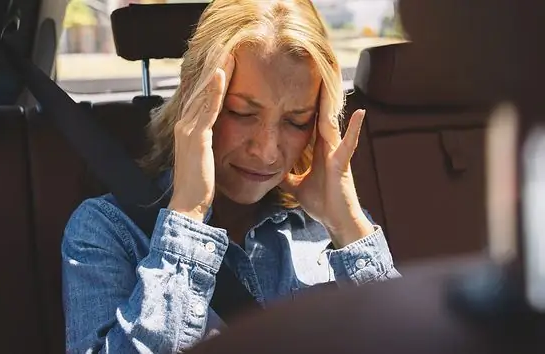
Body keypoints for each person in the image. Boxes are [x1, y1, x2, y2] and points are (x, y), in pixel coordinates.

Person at [61, 0, 401, 353]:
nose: (268, 151)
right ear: (195, 98)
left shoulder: (330, 232)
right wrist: (187, 220)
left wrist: (349, 228)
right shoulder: (107, 229)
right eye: (241, 112)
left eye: (296, 121)